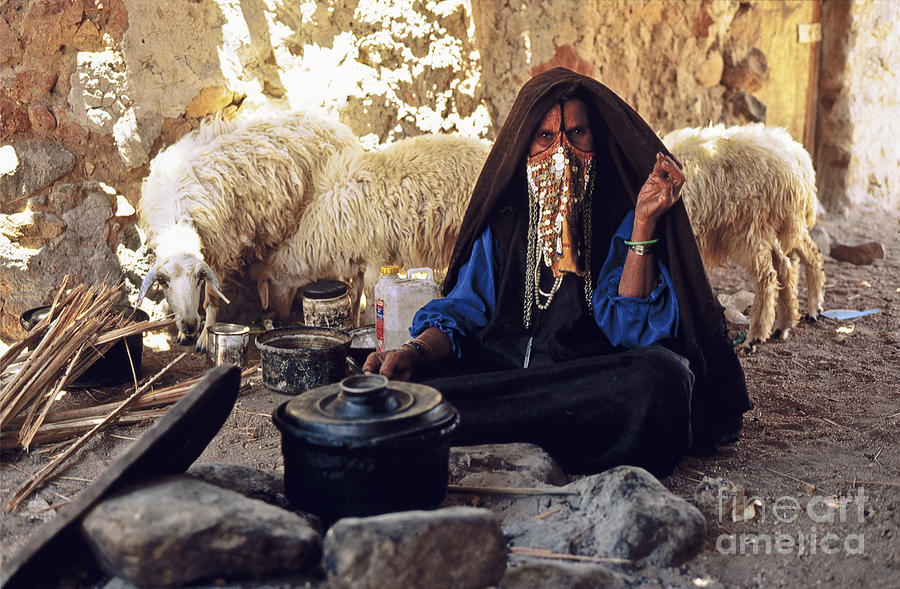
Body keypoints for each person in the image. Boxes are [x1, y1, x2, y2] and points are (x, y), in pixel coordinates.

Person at [364, 68, 750, 476]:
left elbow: (630, 330)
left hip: (583, 382)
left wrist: (643, 223)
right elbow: (462, 311)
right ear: (524, 146)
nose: (562, 152)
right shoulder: (504, 223)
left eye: (578, 134)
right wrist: (415, 351)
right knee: (408, 385)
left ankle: (477, 429)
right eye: (545, 137)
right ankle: (556, 437)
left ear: (597, 140)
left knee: (663, 378)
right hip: (505, 376)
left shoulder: (619, 218)